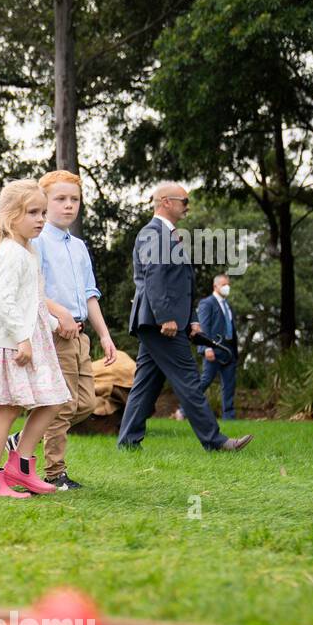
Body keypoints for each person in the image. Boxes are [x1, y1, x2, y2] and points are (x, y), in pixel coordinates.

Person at [117, 184, 252, 452]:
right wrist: (166, 317)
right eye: (184, 201)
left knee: (146, 384)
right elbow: (153, 279)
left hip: (163, 321)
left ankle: (128, 443)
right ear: (166, 202)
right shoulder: (152, 233)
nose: (188, 206)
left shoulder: (172, 236)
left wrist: (191, 319)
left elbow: (181, 284)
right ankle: (216, 442)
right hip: (160, 323)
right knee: (189, 379)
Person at [4, 170, 118, 490]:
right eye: (60, 199)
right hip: (54, 332)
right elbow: (33, 290)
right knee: (61, 407)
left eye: (74, 200)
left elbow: (90, 294)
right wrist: (60, 314)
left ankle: (22, 438)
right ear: (44, 201)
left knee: (85, 404)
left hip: (80, 334)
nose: (69, 206)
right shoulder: (36, 242)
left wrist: (105, 335)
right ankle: (55, 473)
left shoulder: (79, 247)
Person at [0, 180, 71, 497]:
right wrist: (22, 339)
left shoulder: (26, 251)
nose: (41, 219)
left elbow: (34, 302)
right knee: (8, 410)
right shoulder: (11, 253)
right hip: (13, 344)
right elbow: (4, 302)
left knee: (54, 399)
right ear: (11, 215)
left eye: (42, 212)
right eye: (32, 212)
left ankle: (20, 466)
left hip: (30, 339)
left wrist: (55, 324)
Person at [196, 273, 238, 419]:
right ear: (215, 286)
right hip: (213, 349)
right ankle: (184, 409)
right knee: (205, 380)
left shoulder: (228, 305)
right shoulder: (207, 303)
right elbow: (204, 326)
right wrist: (206, 347)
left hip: (229, 349)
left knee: (229, 385)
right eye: (224, 285)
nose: (227, 288)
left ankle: (229, 417)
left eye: (228, 285)